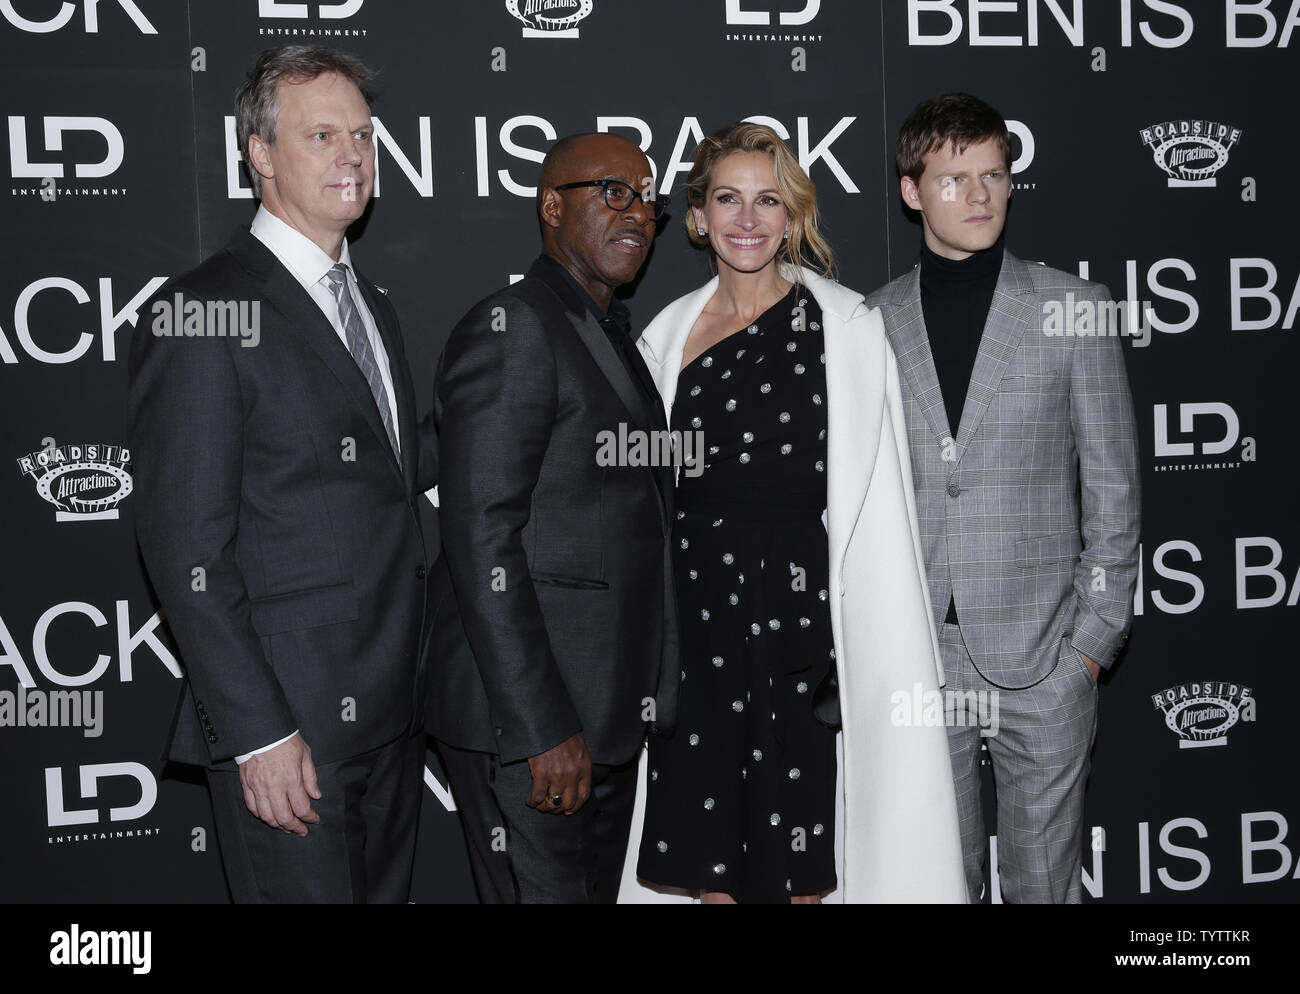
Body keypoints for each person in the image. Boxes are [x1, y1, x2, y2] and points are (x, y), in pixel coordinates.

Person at [624, 121, 966, 903]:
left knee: (798, 861)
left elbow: (878, 496)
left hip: (804, 623)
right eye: (729, 199)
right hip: (695, 617)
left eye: (768, 200)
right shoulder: (664, 338)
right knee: (711, 863)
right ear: (700, 215)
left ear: (794, 215)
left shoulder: (845, 329)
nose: (748, 219)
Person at [128, 45, 437, 903]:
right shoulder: (203, 312)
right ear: (259, 155)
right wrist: (257, 734)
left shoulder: (369, 305)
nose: (353, 156)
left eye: (364, 136)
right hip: (292, 734)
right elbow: (186, 549)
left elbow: (388, 478)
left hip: (392, 717)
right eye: (323, 135)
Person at [865, 93, 1140, 903]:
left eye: (994, 175)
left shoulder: (1074, 311)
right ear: (912, 191)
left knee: (1044, 889)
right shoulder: (870, 323)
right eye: (955, 179)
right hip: (920, 661)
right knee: (937, 887)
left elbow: (1115, 494)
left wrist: (1091, 646)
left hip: (1047, 655)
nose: (980, 195)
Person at [428, 133, 679, 903]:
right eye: (613, 191)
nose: (636, 213)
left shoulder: (607, 332)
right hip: (534, 730)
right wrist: (541, 726)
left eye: (646, 198)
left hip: (598, 721)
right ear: (550, 205)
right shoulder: (515, 328)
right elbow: (480, 536)